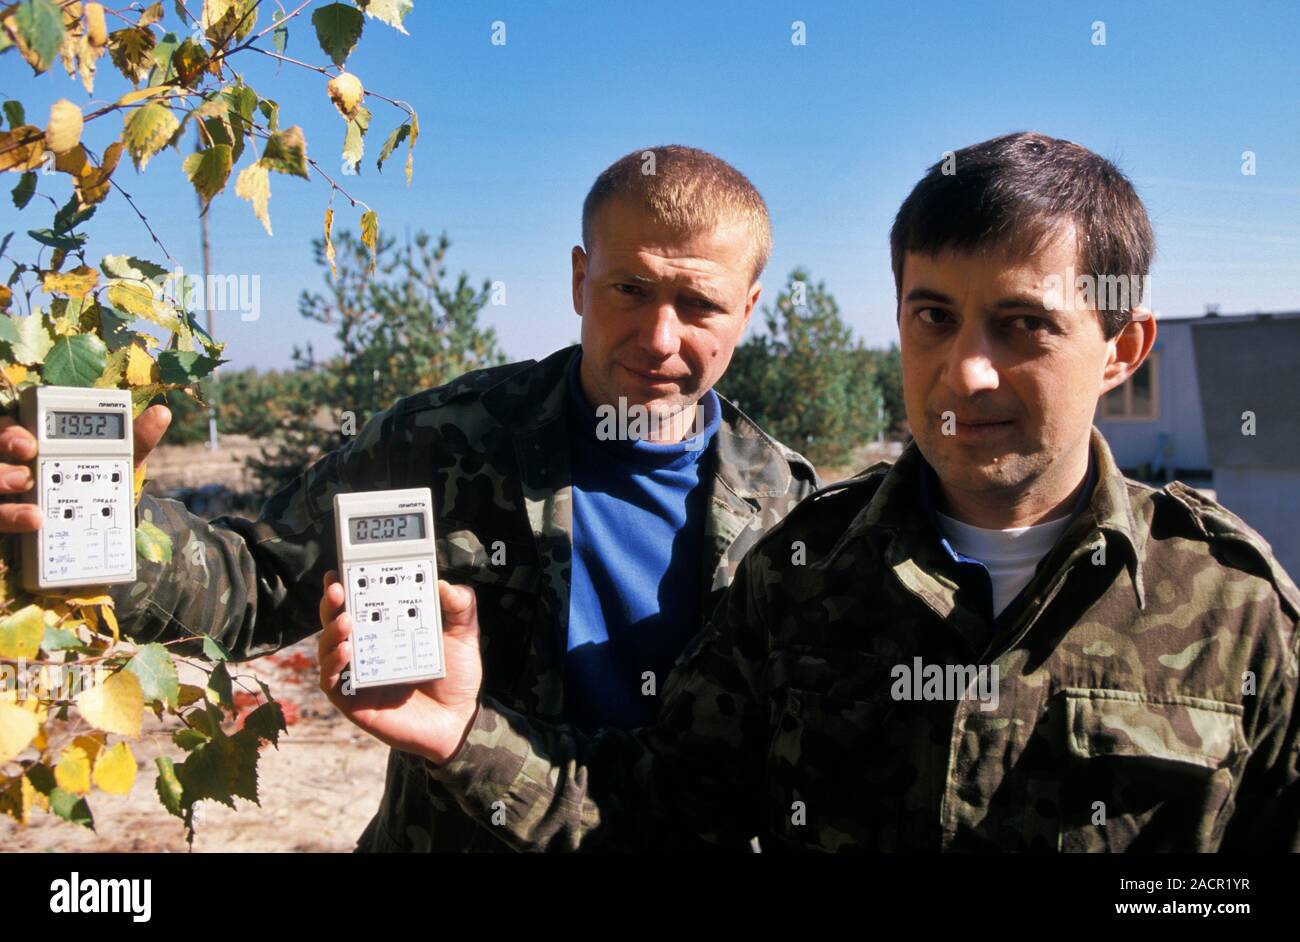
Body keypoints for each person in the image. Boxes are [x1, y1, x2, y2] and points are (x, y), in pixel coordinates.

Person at [319, 131, 1300, 852]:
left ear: (1124, 347)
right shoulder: (799, 574)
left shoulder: (1235, 613)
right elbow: (659, 819)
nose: (965, 373)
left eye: (1021, 325)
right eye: (933, 316)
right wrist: (463, 733)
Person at [0, 145, 819, 852]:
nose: (659, 338)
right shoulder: (446, 439)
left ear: (746, 311)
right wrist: (109, 534)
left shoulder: (790, 510)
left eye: (699, 304)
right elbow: (253, 584)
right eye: (630, 290)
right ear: (579, 279)